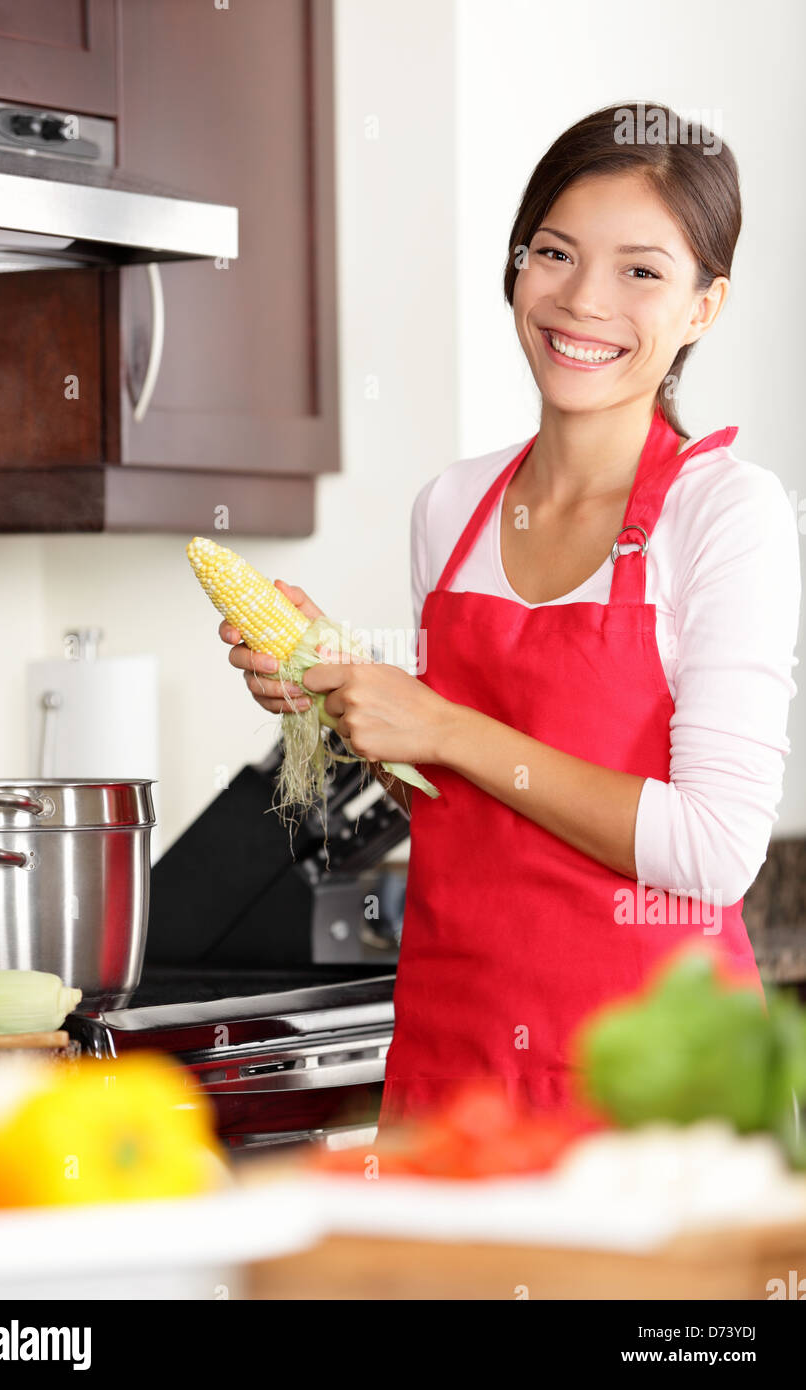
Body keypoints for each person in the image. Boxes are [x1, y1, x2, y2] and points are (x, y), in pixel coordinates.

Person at [220, 102, 801, 1127]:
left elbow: (713, 848)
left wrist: (438, 721)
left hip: (654, 1100)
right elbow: (467, 809)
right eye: (554, 252)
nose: (581, 301)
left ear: (702, 307)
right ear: (515, 262)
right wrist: (339, 693)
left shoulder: (726, 513)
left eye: (640, 270)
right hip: (455, 1068)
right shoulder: (450, 507)